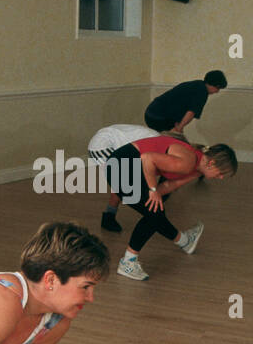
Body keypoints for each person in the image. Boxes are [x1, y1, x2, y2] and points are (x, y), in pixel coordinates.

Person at [107, 136, 238, 281]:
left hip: (127, 167)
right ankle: (128, 263)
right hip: (121, 164)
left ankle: (185, 241)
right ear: (211, 163)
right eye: (221, 173)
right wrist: (152, 190)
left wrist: (152, 198)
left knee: (155, 211)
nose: (220, 178)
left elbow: (171, 185)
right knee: (154, 213)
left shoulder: (196, 169)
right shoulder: (189, 161)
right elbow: (147, 158)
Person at [86, 122, 180, 233]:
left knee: (123, 182)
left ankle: (109, 216)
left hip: (113, 143)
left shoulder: (161, 142)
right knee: (123, 183)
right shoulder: (157, 146)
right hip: (102, 146)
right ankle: (110, 217)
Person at [144, 70, 226, 133]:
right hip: (159, 116)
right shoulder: (202, 92)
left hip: (152, 112)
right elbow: (191, 112)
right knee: (174, 140)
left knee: (171, 139)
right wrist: (179, 128)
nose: (217, 91)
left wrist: (179, 126)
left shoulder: (197, 84)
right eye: (218, 88)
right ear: (215, 85)